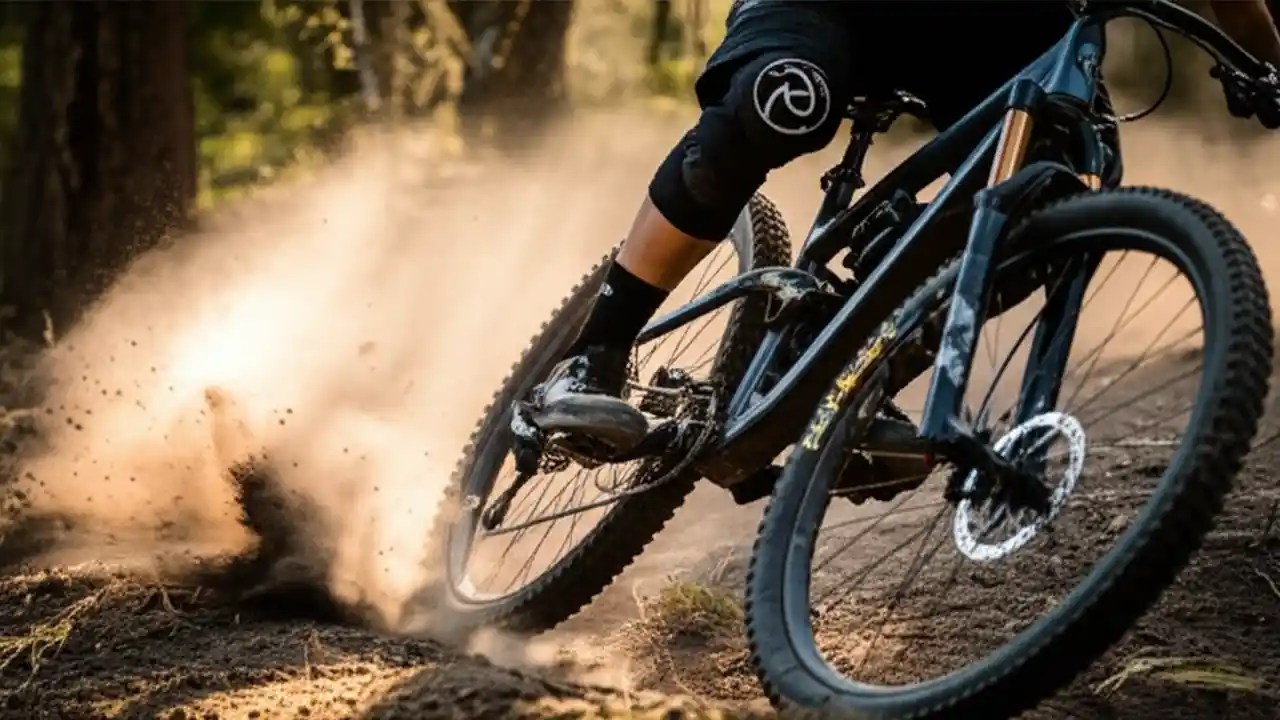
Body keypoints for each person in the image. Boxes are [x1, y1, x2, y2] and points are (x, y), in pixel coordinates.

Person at [526, 0, 1280, 484]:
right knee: (781, 102)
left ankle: (847, 374)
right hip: (827, 11)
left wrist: (1265, 66)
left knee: (1062, 194)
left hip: (1004, 33)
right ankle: (591, 357)